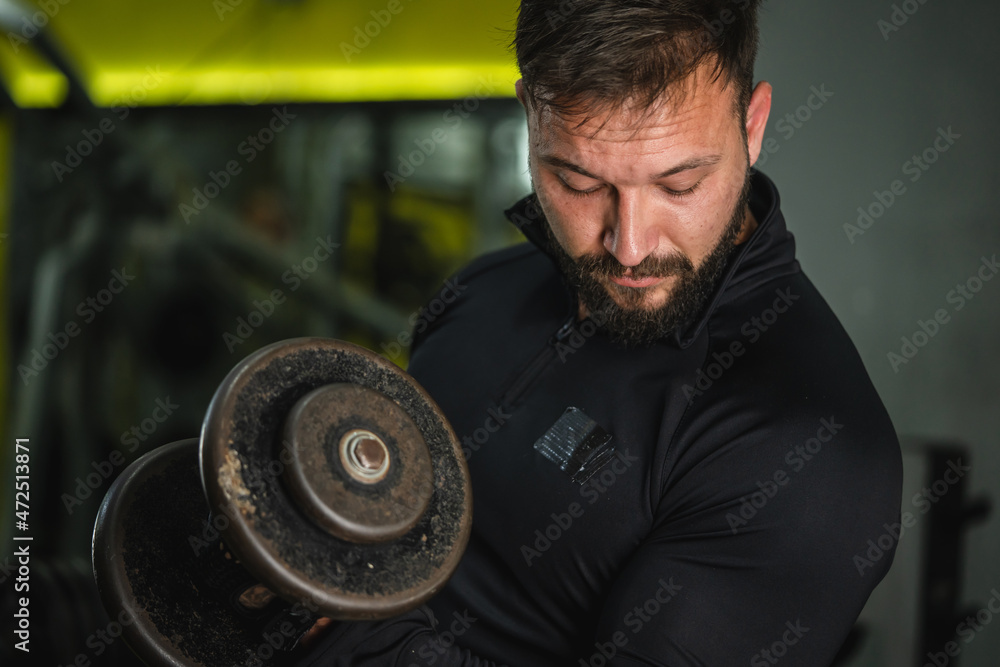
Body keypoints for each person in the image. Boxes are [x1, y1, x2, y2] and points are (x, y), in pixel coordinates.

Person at [300, 1, 903, 664]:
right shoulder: (482, 290)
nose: (630, 245)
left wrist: (337, 630)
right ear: (531, 117)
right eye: (579, 180)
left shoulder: (807, 451)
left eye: (681, 183)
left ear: (753, 125)